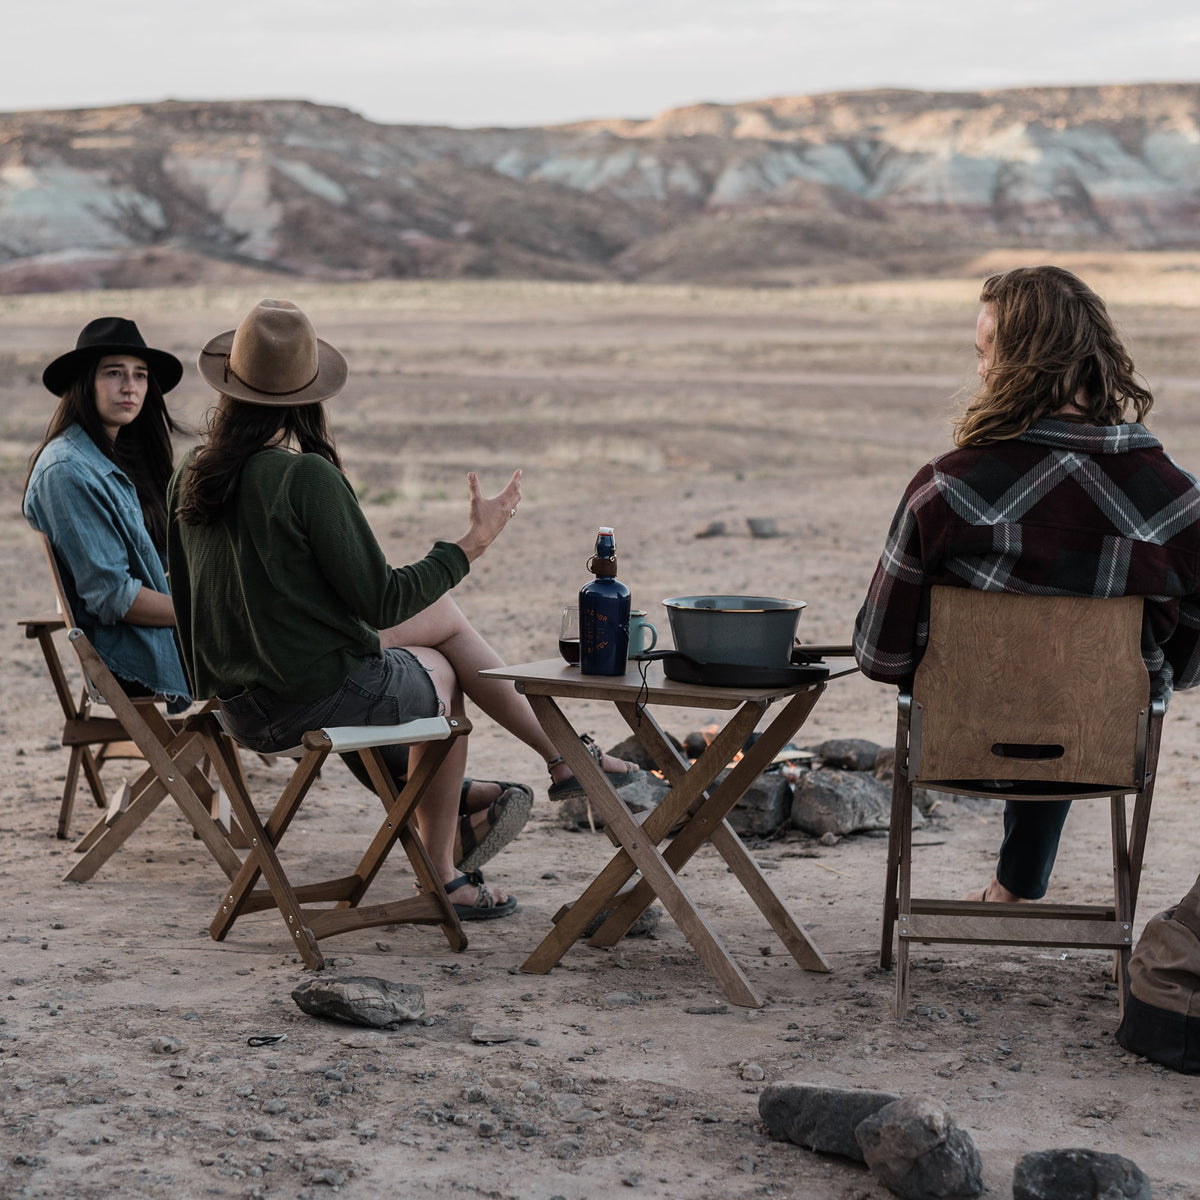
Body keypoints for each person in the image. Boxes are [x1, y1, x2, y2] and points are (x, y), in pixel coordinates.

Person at [166, 298, 637, 919]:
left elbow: (192, 599)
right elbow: (382, 599)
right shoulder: (303, 478)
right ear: (310, 396)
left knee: (443, 622)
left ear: (229, 389)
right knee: (441, 675)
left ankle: (559, 760)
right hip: (306, 697)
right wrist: (473, 543)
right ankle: (447, 870)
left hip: (239, 709)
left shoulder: (191, 474)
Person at [853, 265, 1200, 903]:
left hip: (957, 747)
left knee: (1030, 678)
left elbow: (881, 657)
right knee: (1070, 686)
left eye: (987, 353)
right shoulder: (1180, 504)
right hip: (1104, 754)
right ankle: (1018, 885)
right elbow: (1190, 666)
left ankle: (1005, 886)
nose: (981, 371)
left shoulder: (944, 489)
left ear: (1023, 366)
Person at [23, 317, 191, 711]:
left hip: (162, 638)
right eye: (114, 373)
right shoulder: (66, 470)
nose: (130, 386)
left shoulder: (119, 458)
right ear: (85, 382)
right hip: (137, 657)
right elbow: (114, 597)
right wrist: (203, 614)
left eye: (140, 375)